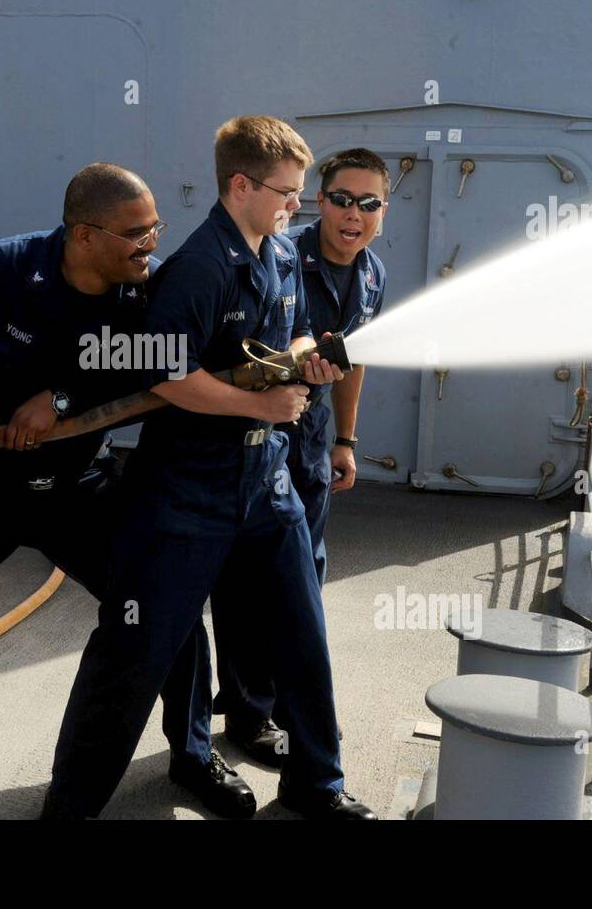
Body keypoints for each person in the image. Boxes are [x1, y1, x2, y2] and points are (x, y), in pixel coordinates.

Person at [0, 163, 255, 818]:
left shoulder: (143, 294)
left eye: (156, 229)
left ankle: (194, 754)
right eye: (137, 233)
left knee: (166, 609)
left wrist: (59, 398)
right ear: (84, 236)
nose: (152, 245)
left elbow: (144, 372)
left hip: (79, 492)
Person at [45, 117, 378, 820]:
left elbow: (285, 328)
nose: (297, 206)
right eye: (286, 193)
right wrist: (257, 407)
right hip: (185, 497)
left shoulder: (282, 252)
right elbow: (167, 376)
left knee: (303, 640)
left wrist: (301, 356)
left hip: (269, 489)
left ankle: (317, 786)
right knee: (134, 656)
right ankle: (72, 808)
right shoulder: (196, 270)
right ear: (239, 185)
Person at [211, 148, 388, 764]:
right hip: (260, 442)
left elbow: (354, 360)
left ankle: (274, 698)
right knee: (248, 583)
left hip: (311, 448)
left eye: (369, 204)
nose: (353, 214)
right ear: (320, 201)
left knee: (304, 579)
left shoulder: (372, 275)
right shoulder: (282, 256)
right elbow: (249, 353)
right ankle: (245, 711)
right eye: (341, 198)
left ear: (382, 212)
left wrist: (346, 440)